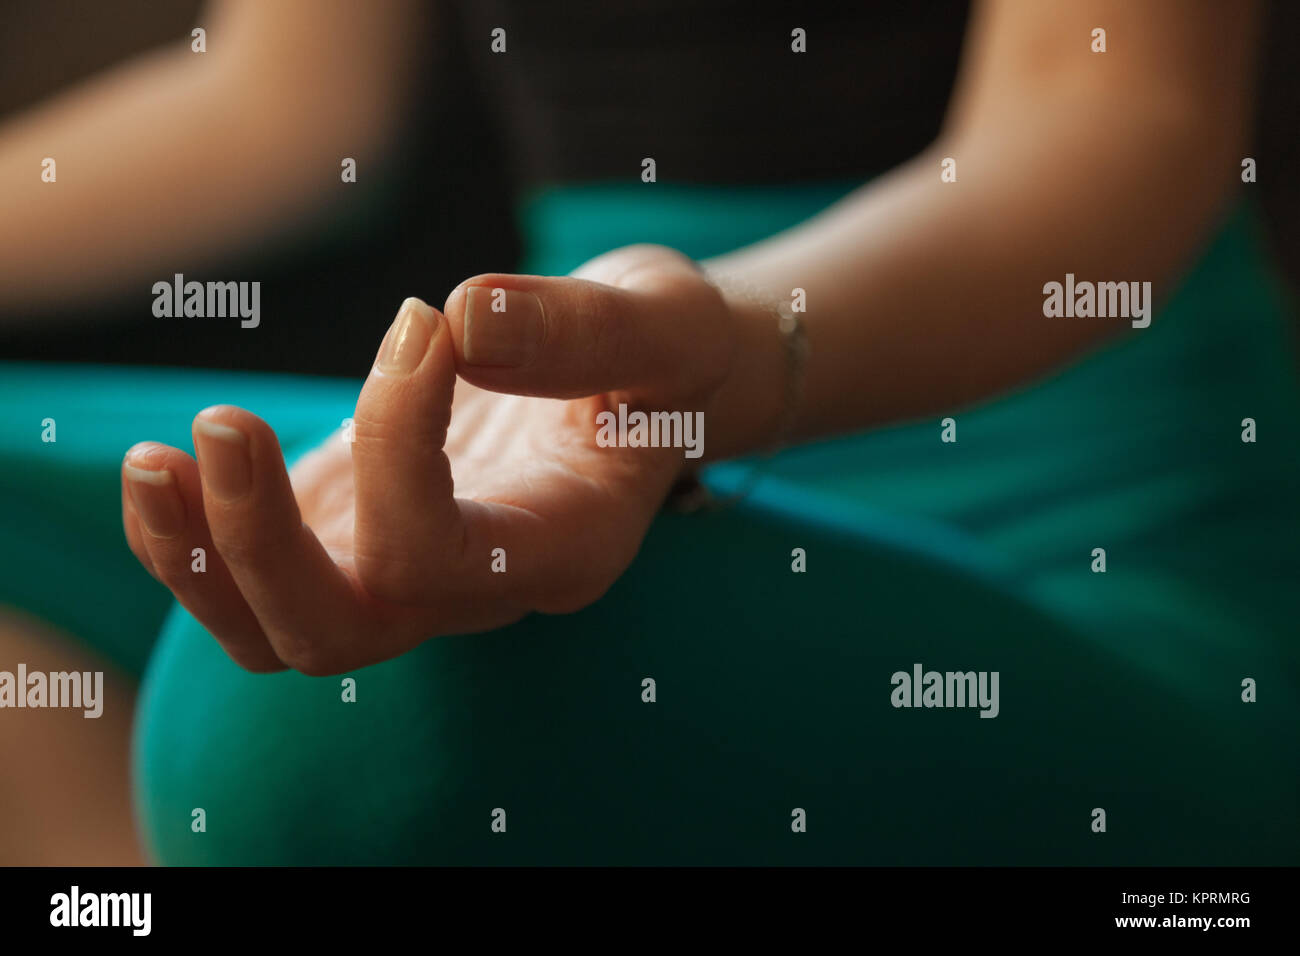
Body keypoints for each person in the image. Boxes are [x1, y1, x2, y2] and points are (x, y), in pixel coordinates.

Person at [2, 0, 1297, 865]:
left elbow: (1114, 117)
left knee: (315, 725)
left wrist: (713, 353)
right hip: (563, 420)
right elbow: (283, 104)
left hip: (1086, 544)